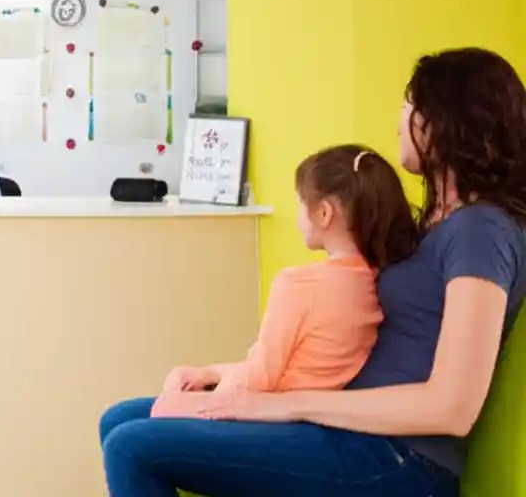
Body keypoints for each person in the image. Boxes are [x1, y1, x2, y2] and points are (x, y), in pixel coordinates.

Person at [99, 47, 526, 497]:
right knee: (123, 419)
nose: (401, 116)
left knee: (133, 445)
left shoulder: (482, 230)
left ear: (445, 122)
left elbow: (452, 407)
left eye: (411, 104)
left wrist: (290, 406)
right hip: (353, 433)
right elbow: (346, 343)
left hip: (398, 458)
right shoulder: (437, 222)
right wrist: (220, 373)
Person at [150, 145, 416, 419]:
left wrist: (203, 400)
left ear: (324, 213)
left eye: (301, 203)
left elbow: (261, 376)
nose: (298, 216)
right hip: (303, 412)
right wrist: (209, 373)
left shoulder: (299, 285)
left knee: (150, 418)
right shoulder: (368, 284)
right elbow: (289, 368)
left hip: (271, 414)